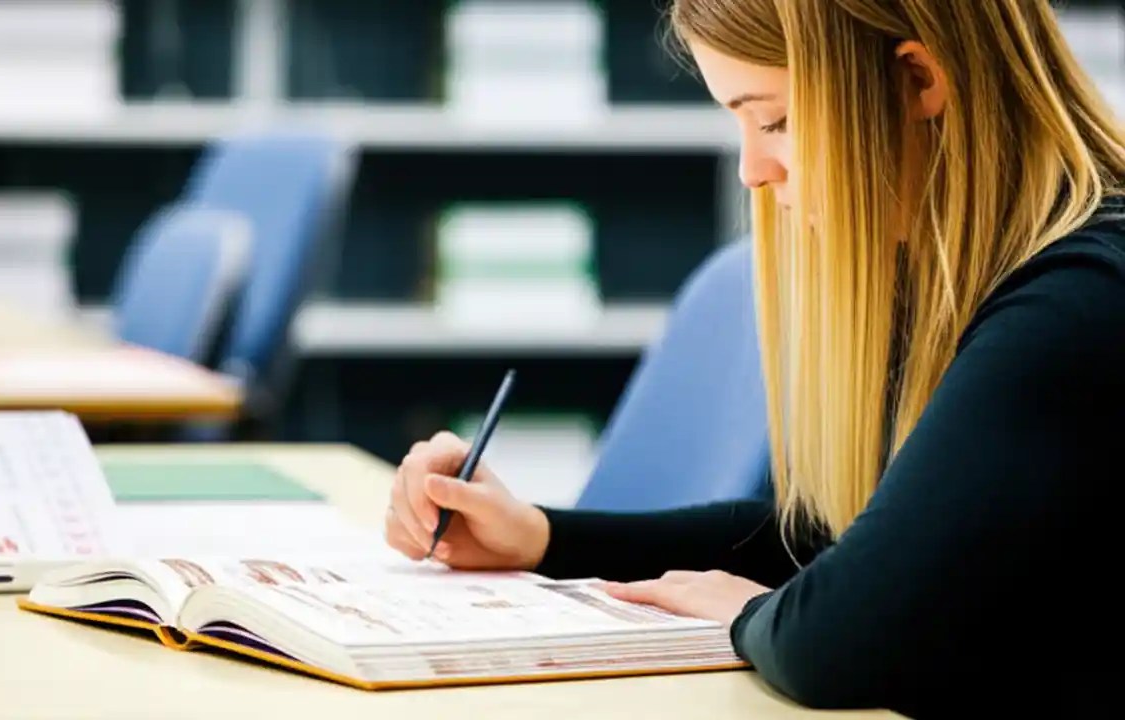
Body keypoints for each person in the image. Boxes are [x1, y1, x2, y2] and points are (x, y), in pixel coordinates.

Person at [384, 1, 1125, 717]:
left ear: (919, 80)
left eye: (777, 119)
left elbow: (839, 636)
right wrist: (544, 537)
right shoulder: (959, 266)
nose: (753, 170)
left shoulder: (1075, 303)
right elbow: (839, 538)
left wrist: (750, 614)